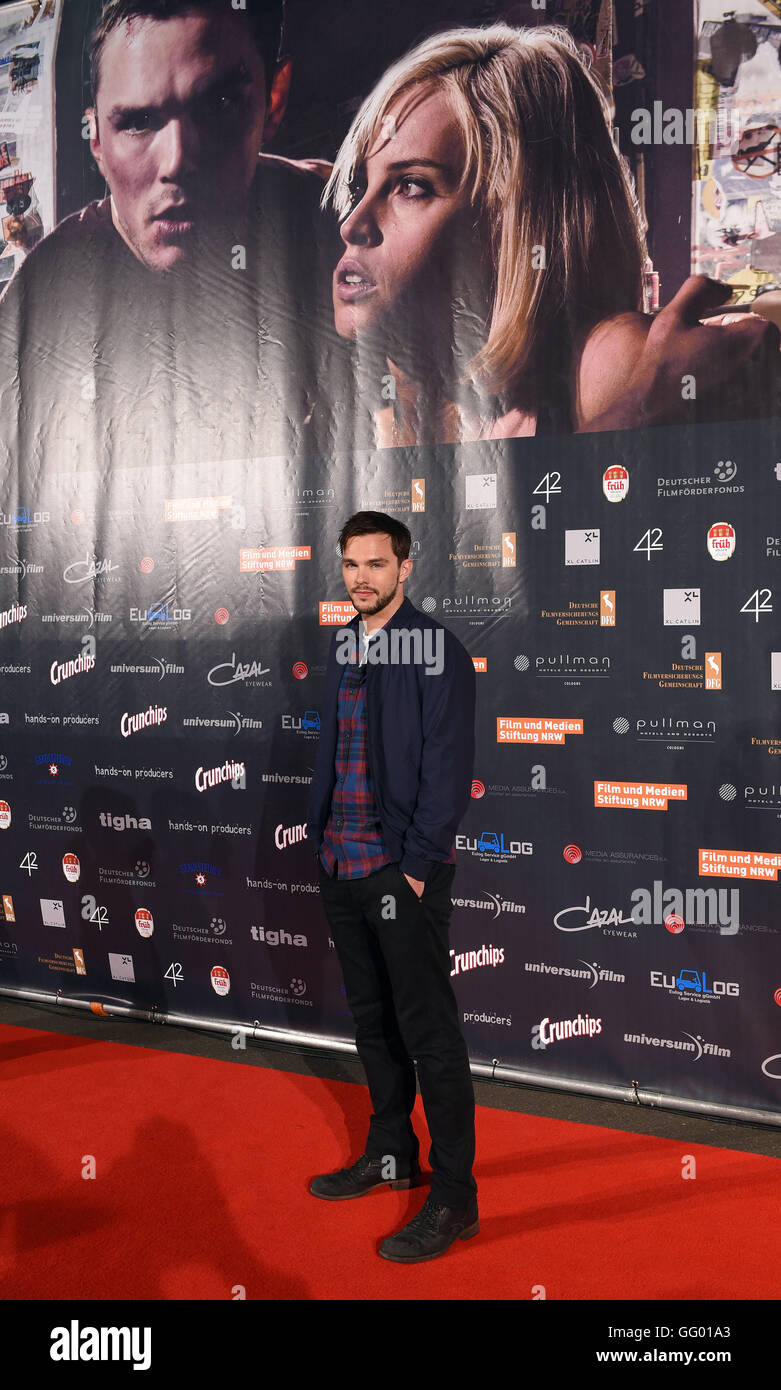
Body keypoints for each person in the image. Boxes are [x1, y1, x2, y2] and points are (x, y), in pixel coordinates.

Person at [323, 22, 779, 448]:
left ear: (511, 220)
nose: (352, 225)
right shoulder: (392, 387)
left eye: (411, 186)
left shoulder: (611, 362)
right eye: (360, 187)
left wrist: (644, 403)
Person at [0, 0, 347, 472]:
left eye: (218, 106)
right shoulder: (42, 302)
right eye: (138, 122)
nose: (177, 161)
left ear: (273, 99)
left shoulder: (346, 227)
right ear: (96, 138)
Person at [305, 510, 479, 1264]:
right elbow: (340, 751)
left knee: (429, 1035)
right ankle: (389, 1154)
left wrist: (413, 868)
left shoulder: (436, 650)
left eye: (376, 564)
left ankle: (455, 1196)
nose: (361, 578)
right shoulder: (345, 643)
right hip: (340, 864)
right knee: (372, 1022)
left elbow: (447, 768)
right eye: (351, 564)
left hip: (397, 872)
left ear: (405, 568)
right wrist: (321, 840)